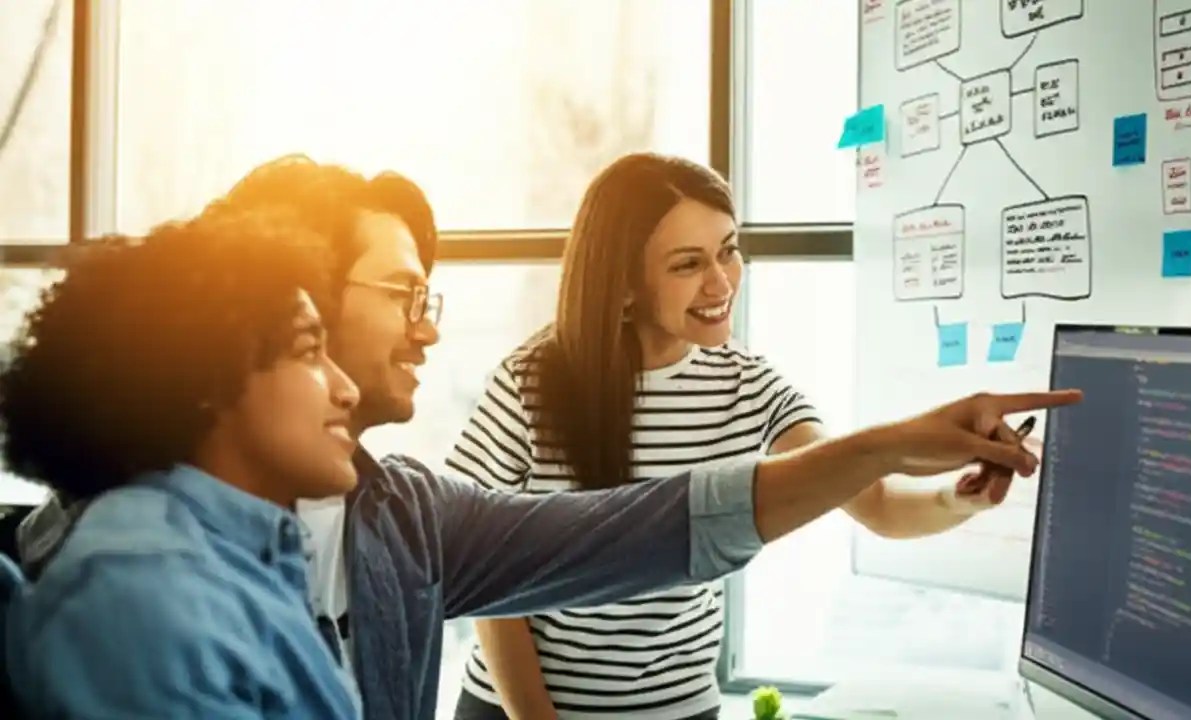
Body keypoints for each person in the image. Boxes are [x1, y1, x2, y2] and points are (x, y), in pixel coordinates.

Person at [15, 155, 1082, 720]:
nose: (428, 324)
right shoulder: (129, 575)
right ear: (260, 314)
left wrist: (899, 446)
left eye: (730, 253)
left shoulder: (399, 518)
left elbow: (660, 526)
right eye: (399, 292)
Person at [446, 153, 1031, 720]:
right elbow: (481, 572)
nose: (721, 281)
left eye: (728, 251)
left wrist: (963, 497)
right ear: (623, 285)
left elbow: (879, 506)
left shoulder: (749, 389)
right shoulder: (531, 383)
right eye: (687, 264)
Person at [0, 210, 364, 718]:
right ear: (211, 379)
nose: (348, 390)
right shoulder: (145, 588)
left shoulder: (238, 558)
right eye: (308, 351)